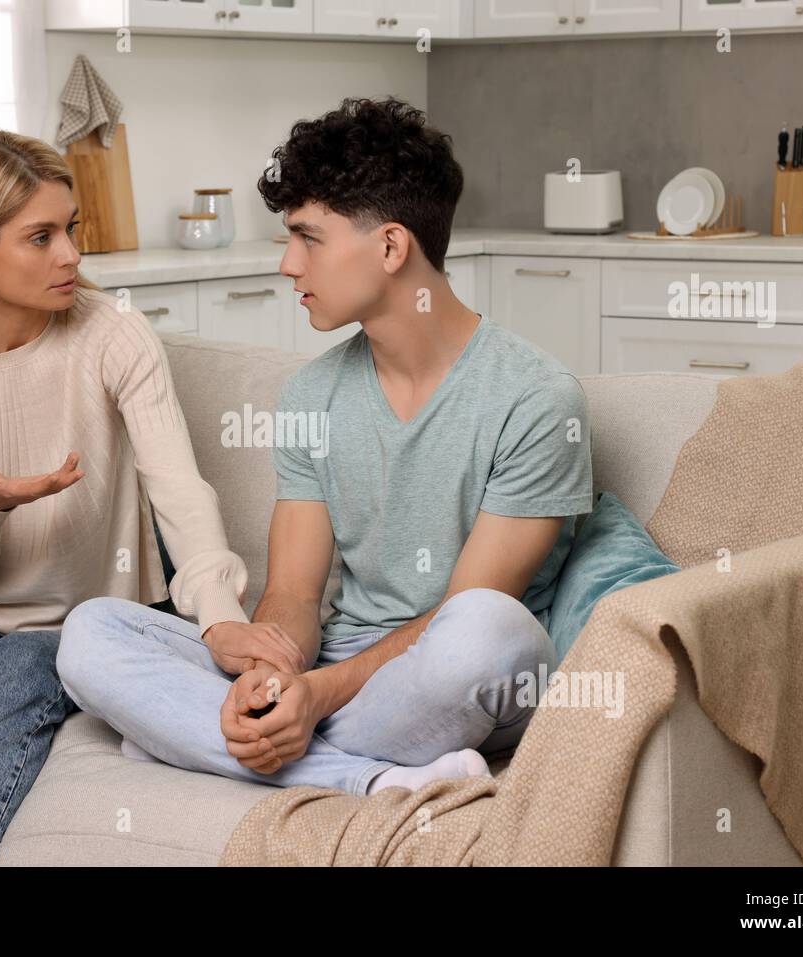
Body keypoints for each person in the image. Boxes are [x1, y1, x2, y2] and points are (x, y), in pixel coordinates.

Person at [57, 97, 594, 798]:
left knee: (489, 629)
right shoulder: (311, 395)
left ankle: (193, 738)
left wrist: (315, 696)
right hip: (338, 665)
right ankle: (365, 776)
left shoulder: (538, 399)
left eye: (308, 238)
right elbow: (293, 593)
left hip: (448, 675)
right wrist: (272, 676)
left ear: (391, 248)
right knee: (90, 630)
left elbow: (469, 606)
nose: (288, 264)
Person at [0, 128, 266, 866]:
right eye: (41, 237)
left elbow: (179, 489)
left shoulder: (113, 336)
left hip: (76, 619)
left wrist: (220, 615)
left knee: (9, 692)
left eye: (71, 229)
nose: (71, 255)